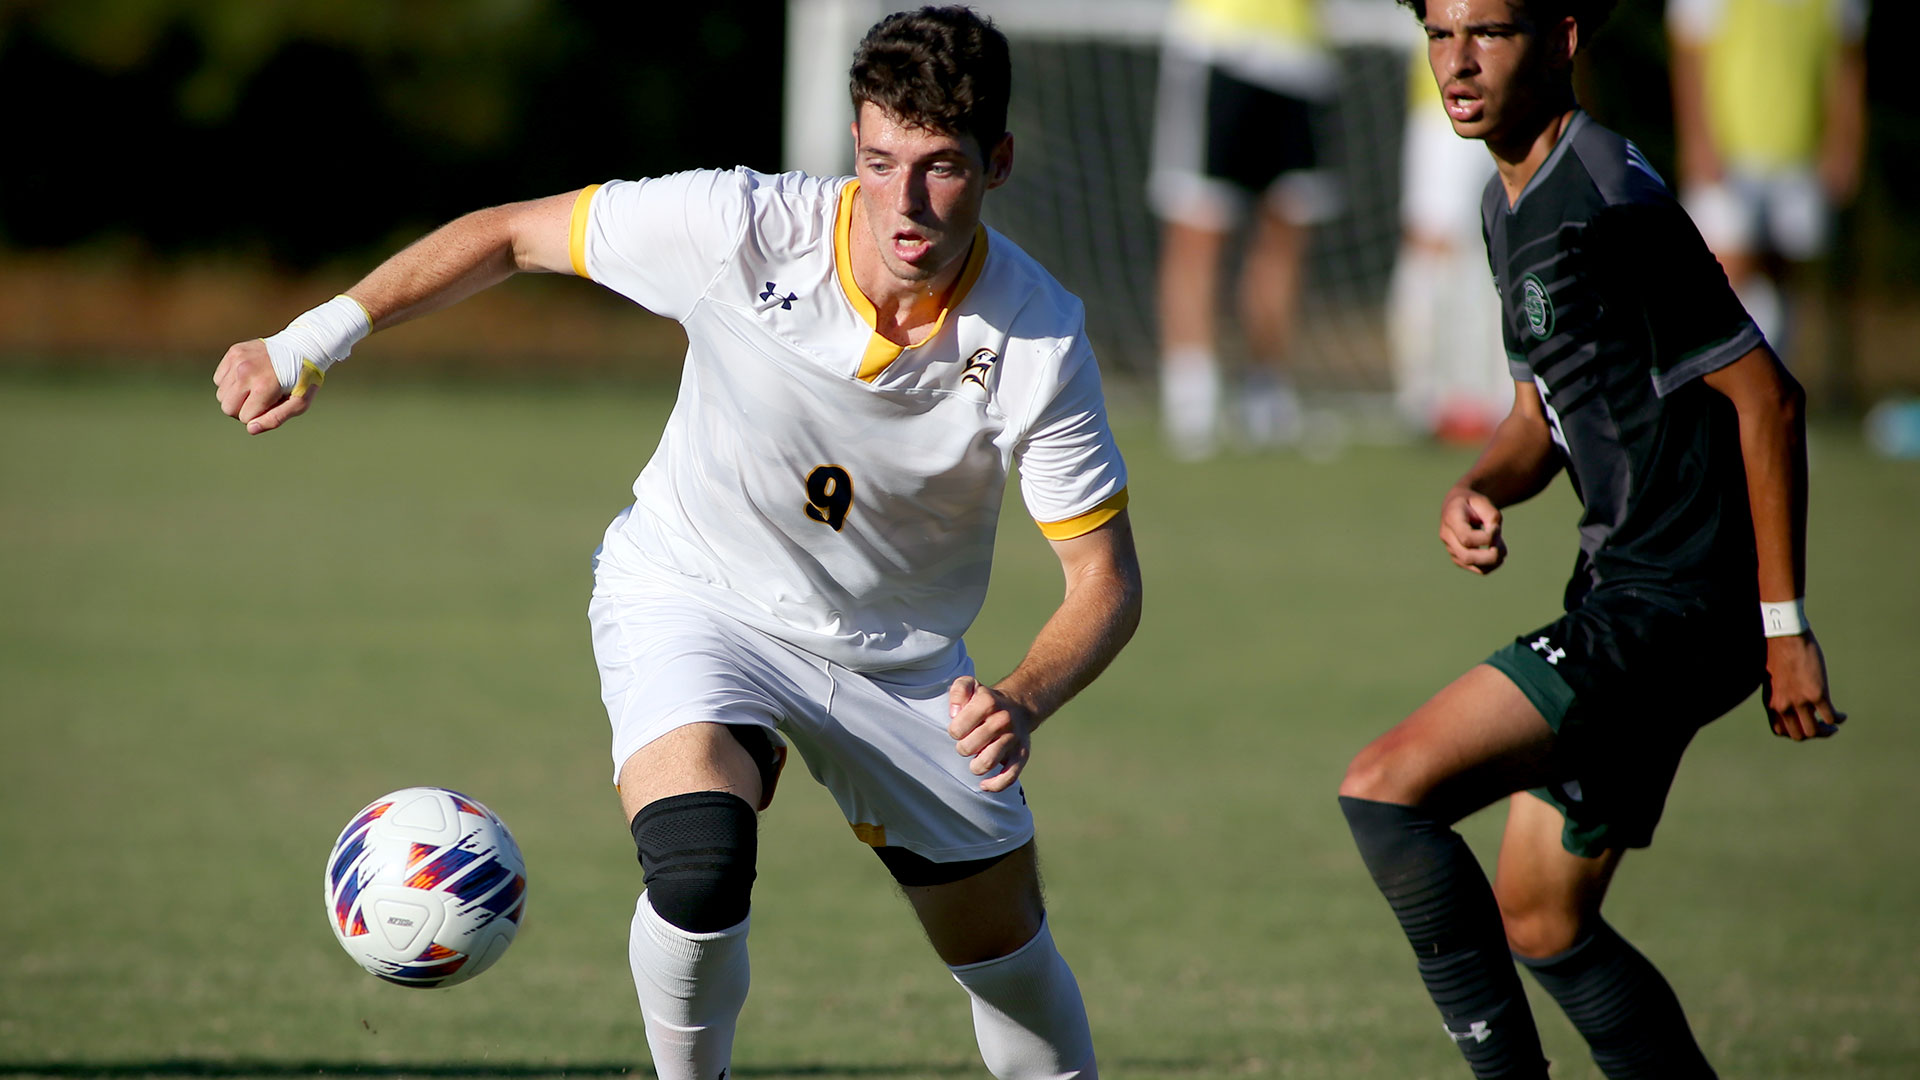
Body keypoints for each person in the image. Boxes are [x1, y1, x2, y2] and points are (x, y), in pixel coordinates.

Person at [213, 9, 1140, 1080]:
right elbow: (511, 233)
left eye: (942, 168)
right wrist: (309, 340)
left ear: (1000, 164)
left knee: (1008, 959)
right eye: (883, 162)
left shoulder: (1038, 337)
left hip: (901, 664)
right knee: (699, 865)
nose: (908, 201)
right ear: (855, 150)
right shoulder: (738, 227)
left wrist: (1022, 697)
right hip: (695, 593)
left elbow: (1104, 583)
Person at [1339, 2, 1845, 1077]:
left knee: (1386, 787)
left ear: (1562, 38)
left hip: (1673, 605)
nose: (1459, 62)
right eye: (1439, 34)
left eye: (1490, 31)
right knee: (1542, 919)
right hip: (1619, 588)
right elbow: (1539, 417)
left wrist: (1783, 624)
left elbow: (1769, 399)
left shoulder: (1611, 197)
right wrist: (1478, 484)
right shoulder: (1502, 202)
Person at [1148, 0, 1339, 459]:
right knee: (1199, 229)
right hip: (1219, 45)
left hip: (1303, 57)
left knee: (1285, 231)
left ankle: (1266, 397)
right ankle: (1191, 402)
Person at [1667, 0, 1868, 360]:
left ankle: (1772, 383)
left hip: (1799, 153)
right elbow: (1688, 55)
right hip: (1729, 154)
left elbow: (1846, 61)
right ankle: (1713, 387)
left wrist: (1844, 140)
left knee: (1780, 279)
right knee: (1723, 277)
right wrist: (1698, 139)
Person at [1388, 42, 1508, 445]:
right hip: (1446, 101)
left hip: (1516, 101)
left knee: (1506, 242)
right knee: (1434, 246)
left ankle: (1502, 395)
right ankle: (1430, 394)